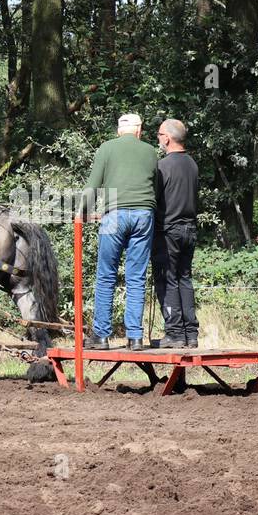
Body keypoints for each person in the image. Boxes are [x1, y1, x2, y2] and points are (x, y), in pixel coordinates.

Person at [81, 113, 159, 349]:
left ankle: (101, 336)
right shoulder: (150, 151)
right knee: (136, 277)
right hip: (144, 215)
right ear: (139, 131)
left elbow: (93, 185)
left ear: (118, 131)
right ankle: (135, 337)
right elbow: (155, 188)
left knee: (106, 275)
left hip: (114, 215)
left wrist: (82, 213)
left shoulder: (106, 148)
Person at [154, 118, 199, 348]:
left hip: (168, 230)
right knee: (185, 279)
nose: (158, 138)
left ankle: (174, 333)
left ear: (168, 138)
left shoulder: (163, 166)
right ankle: (191, 334)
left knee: (167, 279)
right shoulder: (192, 164)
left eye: (159, 134)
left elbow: (155, 199)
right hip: (190, 229)